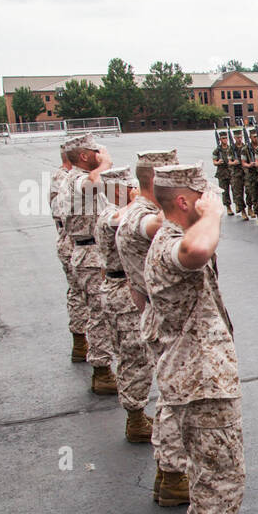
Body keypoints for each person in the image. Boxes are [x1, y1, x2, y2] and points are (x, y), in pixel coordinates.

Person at [143, 163, 258, 514]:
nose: (210, 198)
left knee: (211, 465)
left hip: (198, 375)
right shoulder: (172, 244)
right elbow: (196, 253)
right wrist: (214, 214)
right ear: (184, 201)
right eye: (203, 193)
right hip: (200, 381)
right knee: (221, 469)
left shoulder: (169, 237)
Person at [118, 150, 189, 507]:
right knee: (178, 401)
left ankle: (168, 473)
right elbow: (186, 241)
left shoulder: (138, 212)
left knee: (169, 397)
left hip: (156, 313)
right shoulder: (144, 218)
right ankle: (174, 476)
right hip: (169, 321)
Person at [95, 166, 154, 441]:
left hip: (115, 288)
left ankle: (136, 414)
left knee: (130, 355)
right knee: (135, 358)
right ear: (117, 190)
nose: (133, 190)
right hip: (123, 293)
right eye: (128, 187)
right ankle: (136, 420)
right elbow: (124, 217)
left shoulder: (109, 211)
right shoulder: (112, 214)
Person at [61, 133, 118, 394]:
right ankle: (103, 372)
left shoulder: (76, 179)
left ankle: (99, 364)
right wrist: (105, 163)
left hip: (91, 253)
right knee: (100, 314)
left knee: (98, 311)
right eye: (96, 152)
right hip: (90, 255)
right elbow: (94, 181)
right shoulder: (78, 179)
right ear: (84, 156)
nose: (101, 155)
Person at [51, 144, 88, 360]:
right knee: (83, 296)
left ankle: (81, 344)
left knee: (78, 294)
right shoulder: (66, 179)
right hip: (73, 241)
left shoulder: (63, 176)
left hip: (69, 240)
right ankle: (83, 344)